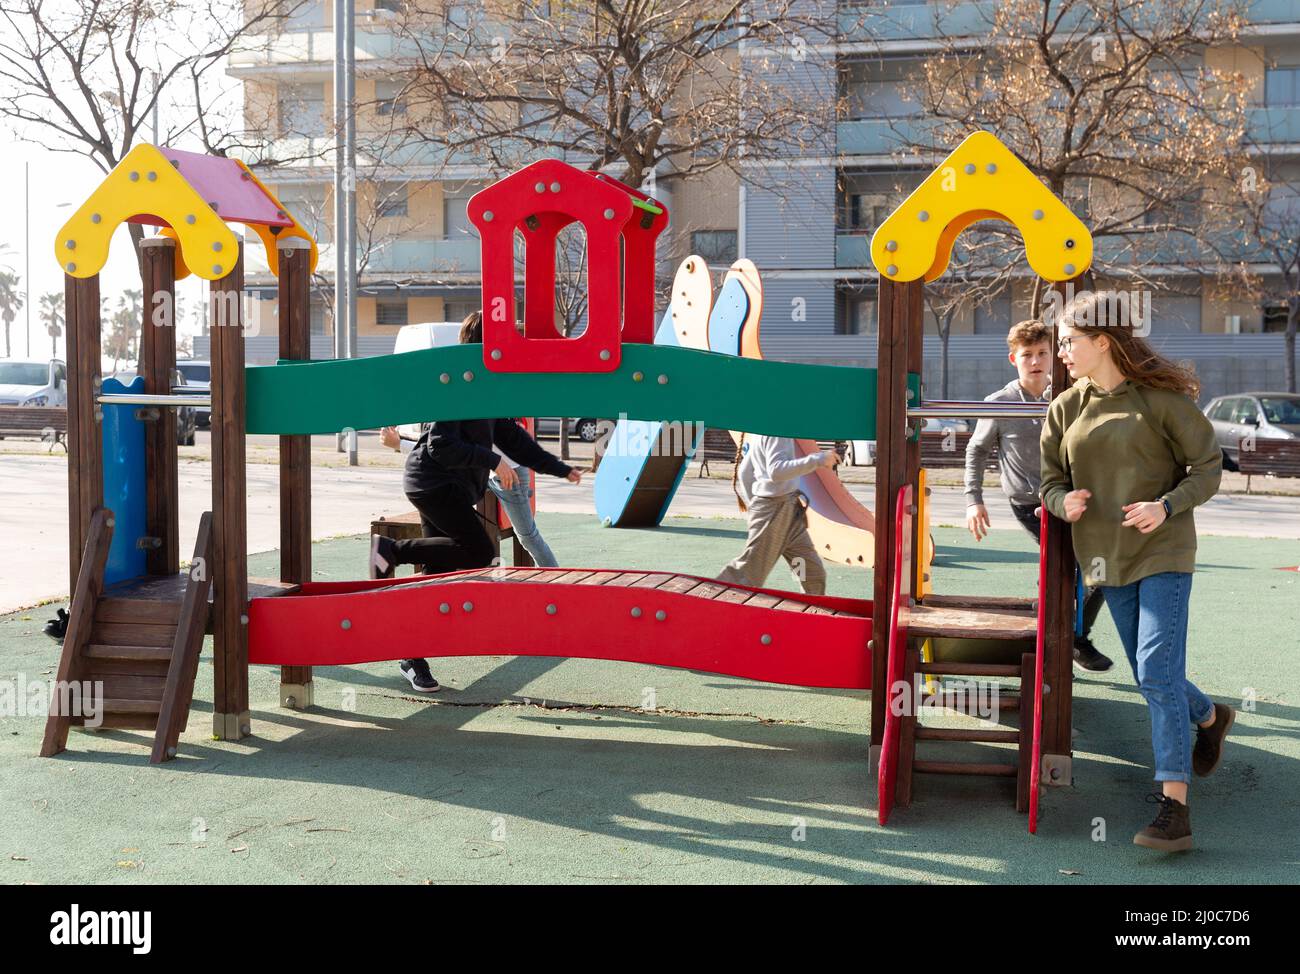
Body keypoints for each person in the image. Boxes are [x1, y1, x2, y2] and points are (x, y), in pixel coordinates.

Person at [1040, 291, 1232, 852]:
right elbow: (1048, 480)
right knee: (1156, 674)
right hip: (1102, 560)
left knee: (1152, 669)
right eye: (1059, 343)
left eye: (1070, 342)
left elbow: (1209, 466)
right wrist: (1061, 503)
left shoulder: (1160, 400)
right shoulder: (1065, 408)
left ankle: (1174, 807)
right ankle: (1208, 716)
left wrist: (1165, 505)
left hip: (1164, 551)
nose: (1062, 353)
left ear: (1103, 341)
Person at [371, 312, 583, 692]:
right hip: (433, 484)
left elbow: (514, 441)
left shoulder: (487, 389)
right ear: (488, 346)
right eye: (508, 342)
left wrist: (557, 467)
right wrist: (493, 460)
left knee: (438, 577)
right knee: (479, 550)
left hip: (444, 487)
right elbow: (439, 445)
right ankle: (390, 549)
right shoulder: (457, 384)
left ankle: (411, 655)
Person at [965, 320, 1112, 671]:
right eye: (1027, 354)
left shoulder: (1067, 395)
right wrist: (974, 499)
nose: (1035, 360)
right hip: (1029, 501)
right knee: (1067, 564)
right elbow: (976, 451)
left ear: (1054, 356)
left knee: (1103, 568)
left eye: (1043, 353)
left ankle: (1068, 628)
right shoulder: (1000, 403)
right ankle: (1062, 629)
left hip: (1067, 497)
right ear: (1013, 358)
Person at [716, 434, 838, 595]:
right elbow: (777, 470)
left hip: (788, 514)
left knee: (810, 573)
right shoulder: (777, 433)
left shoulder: (766, 430)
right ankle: (713, 600)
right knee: (749, 572)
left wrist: (755, 504)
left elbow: (745, 471)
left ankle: (813, 610)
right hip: (773, 513)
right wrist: (819, 460)